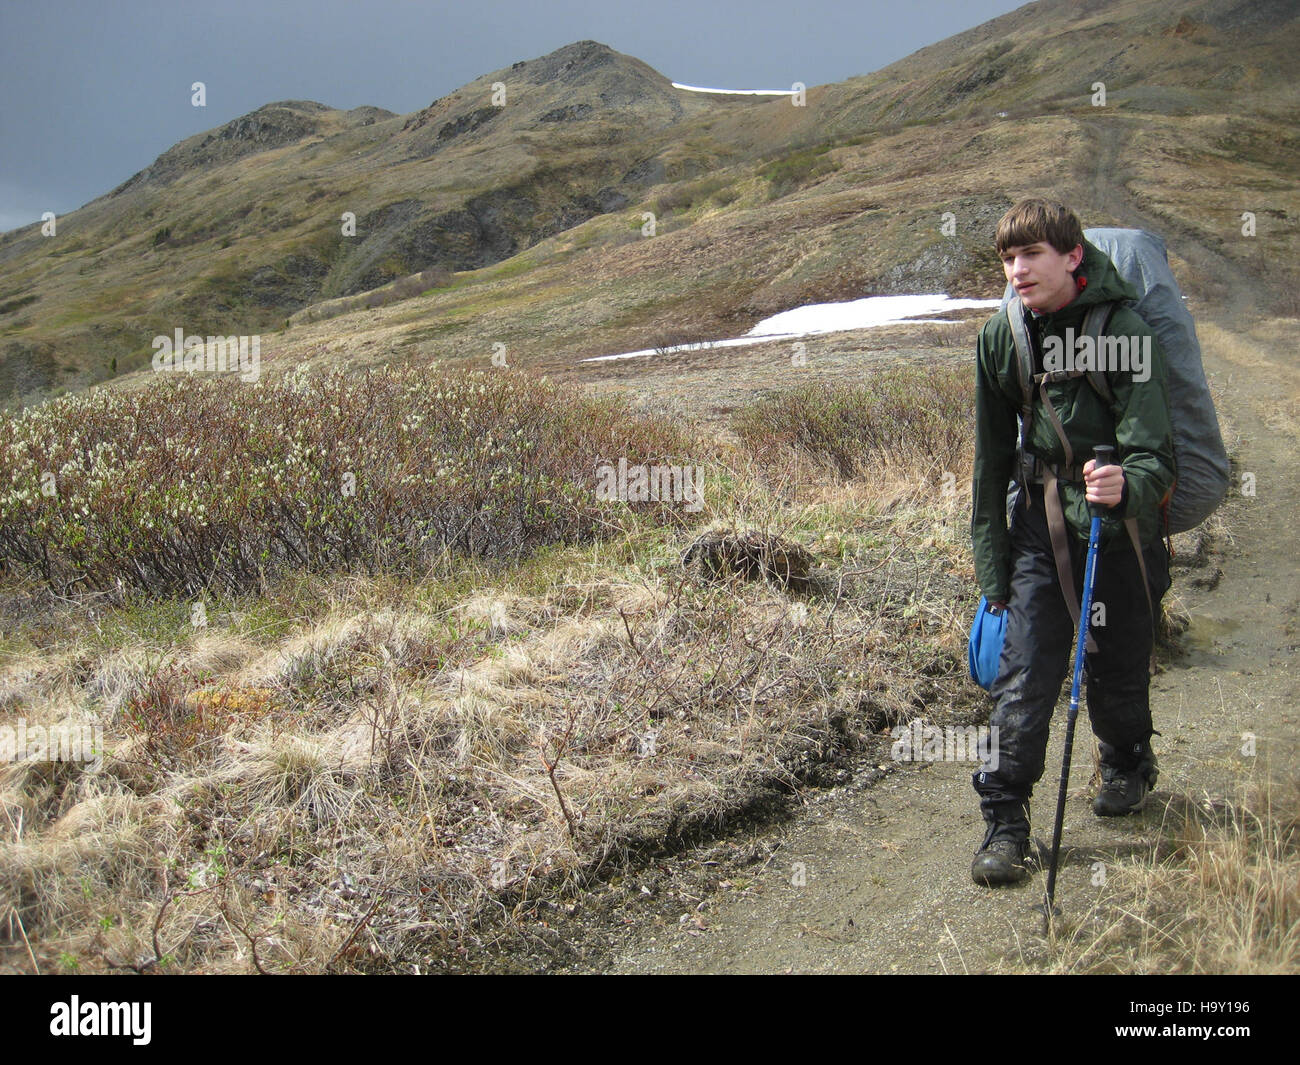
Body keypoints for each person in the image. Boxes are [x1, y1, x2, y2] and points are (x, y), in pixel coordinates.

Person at [968, 198, 1175, 886]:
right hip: (1039, 523)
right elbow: (990, 463)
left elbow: (1154, 452)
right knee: (1025, 671)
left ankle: (1125, 759)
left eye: (1031, 255)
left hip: (1119, 531)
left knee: (1117, 662)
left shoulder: (1126, 332)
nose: (1017, 270)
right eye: (1008, 258)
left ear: (1073, 256)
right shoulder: (1003, 339)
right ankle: (1005, 818)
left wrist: (1126, 483)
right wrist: (993, 573)